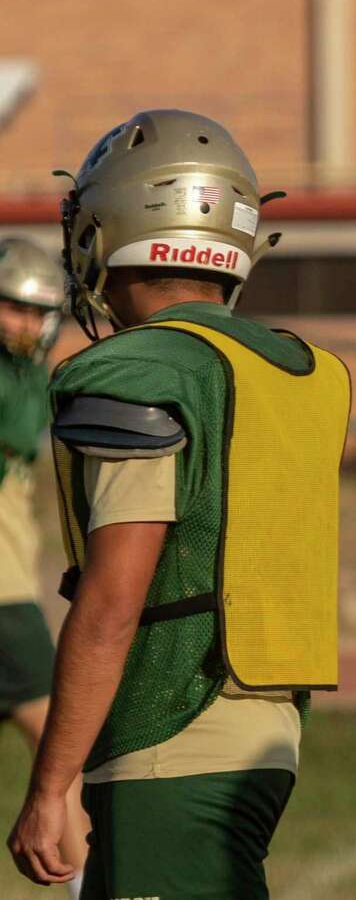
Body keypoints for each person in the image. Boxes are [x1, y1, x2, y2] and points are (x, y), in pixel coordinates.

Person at [6, 110, 351, 900]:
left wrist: (50, 783)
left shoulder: (140, 369)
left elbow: (114, 597)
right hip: (271, 727)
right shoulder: (294, 364)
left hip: (173, 721)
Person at [0, 238, 90, 898]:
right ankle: (91, 883)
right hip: (2, 599)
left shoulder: (24, 372)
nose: (26, 325)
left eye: (36, 313)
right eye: (12, 309)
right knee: (63, 755)